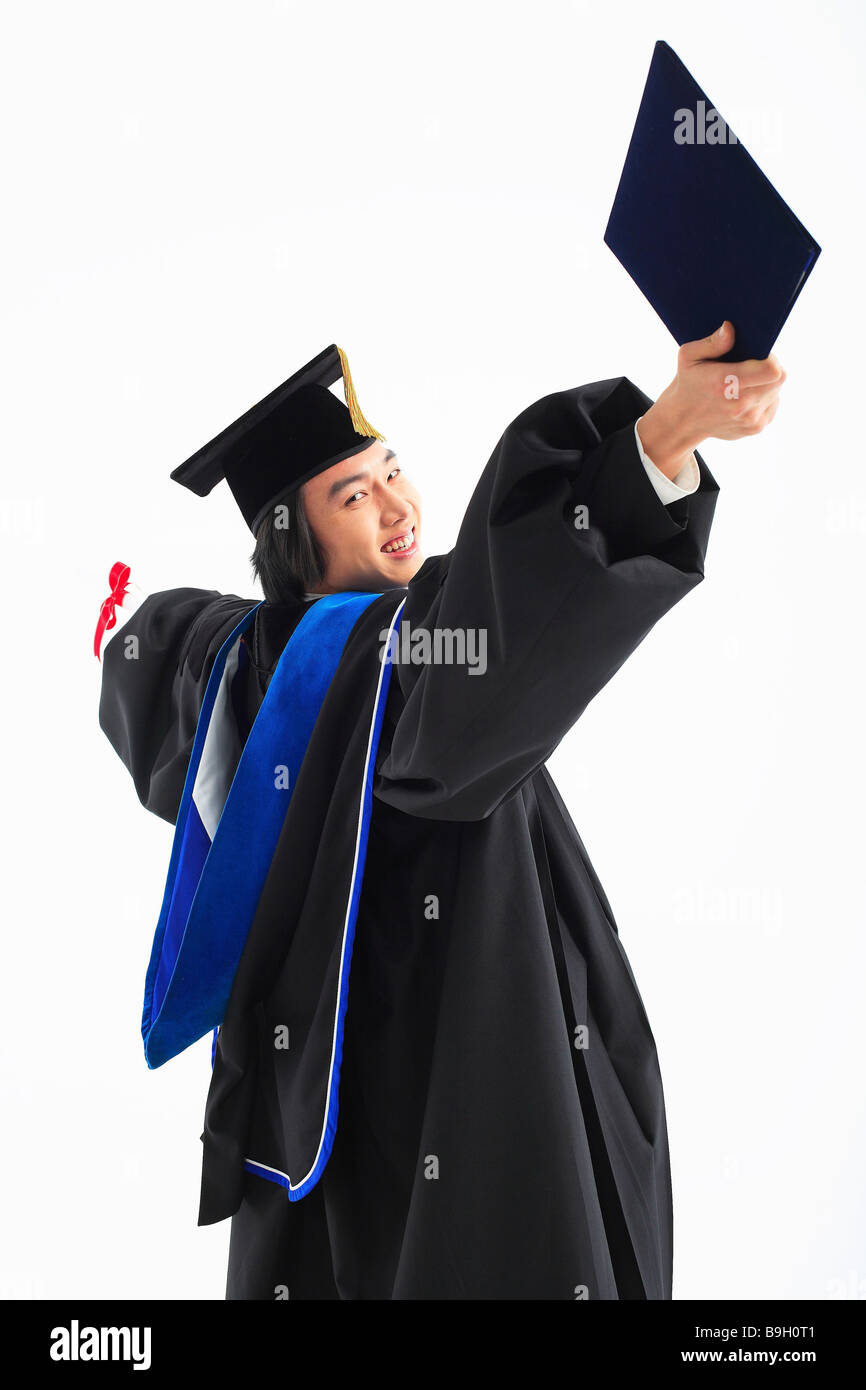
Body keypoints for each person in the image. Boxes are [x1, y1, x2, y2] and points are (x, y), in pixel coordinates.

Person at [96, 330, 785, 1300]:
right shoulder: (387, 651)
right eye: (350, 495)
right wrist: (658, 439)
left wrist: (109, 633)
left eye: (391, 471)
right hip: (453, 1104)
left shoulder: (238, 663)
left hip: (327, 1137)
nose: (394, 506)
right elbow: (491, 633)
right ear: (292, 541)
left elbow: (149, 656)